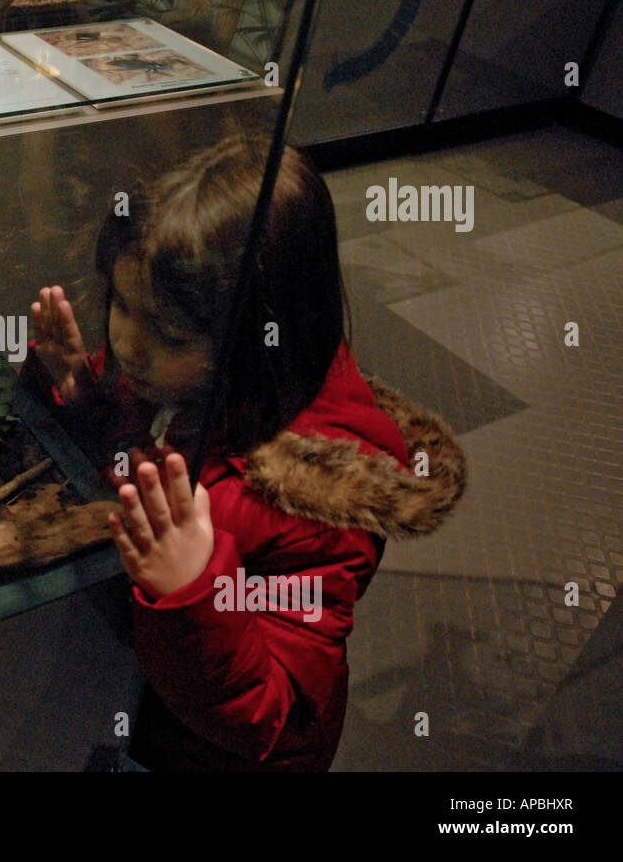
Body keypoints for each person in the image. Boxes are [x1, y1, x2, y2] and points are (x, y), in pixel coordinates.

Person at [23, 135, 467, 771]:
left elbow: (274, 713)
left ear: (260, 338)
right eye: (120, 305)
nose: (127, 345)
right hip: (147, 703)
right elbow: (132, 439)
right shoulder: (185, 378)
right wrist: (82, 396)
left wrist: (191, 591)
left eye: (168, 333)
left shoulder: (316, 509)